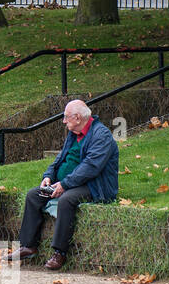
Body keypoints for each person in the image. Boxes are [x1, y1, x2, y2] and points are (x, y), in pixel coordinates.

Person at [7, 99, 119, 271]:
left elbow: (90, 167)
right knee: (33, 195)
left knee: (66, 200)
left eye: (66, 117)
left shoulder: (101, 135)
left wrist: (65, 185)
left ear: (78, 118)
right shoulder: (73, 134)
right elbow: (60, 158)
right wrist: (48, 176)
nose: (64, 121)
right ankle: (28, 246)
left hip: (95, 185)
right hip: (69, 182)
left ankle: (60, 252)